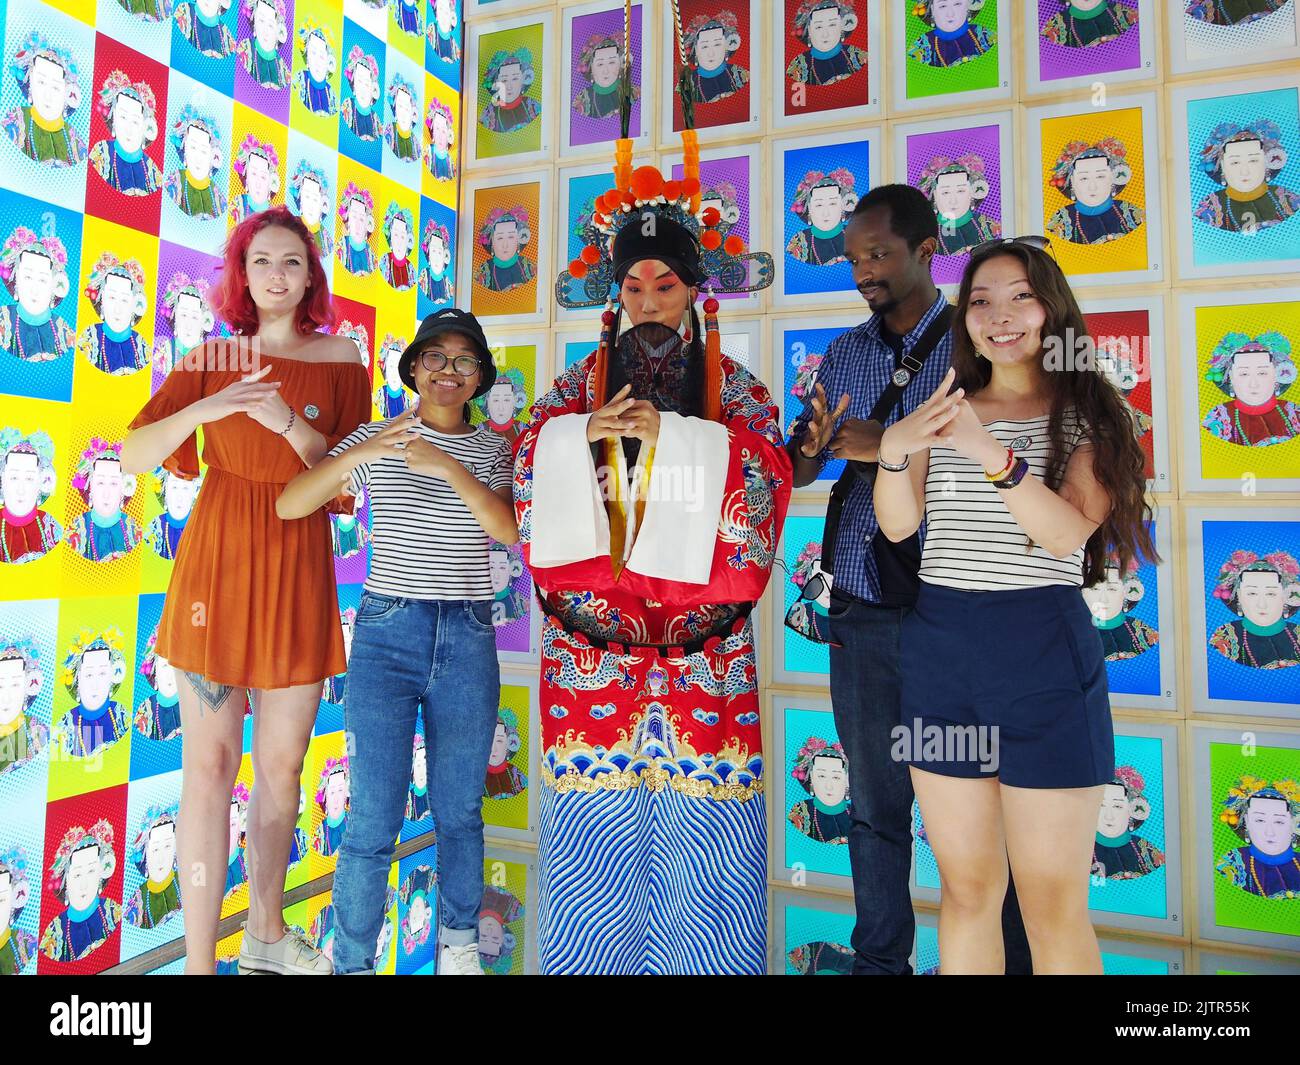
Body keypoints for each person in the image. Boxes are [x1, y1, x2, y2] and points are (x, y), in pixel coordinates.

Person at [520, 127, 787, 974]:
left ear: (694, 288)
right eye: (632, 284)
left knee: (709, 842)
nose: (647, 299)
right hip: (589, 645)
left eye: (665, 283)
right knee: (587, 839)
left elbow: (770, 478)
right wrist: (577, 436)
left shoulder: (738, 388)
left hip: (702, 649)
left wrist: (677, 438)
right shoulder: (575, 385)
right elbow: (527, 465)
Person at [873, 234, 1155, 973]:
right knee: (965, 891)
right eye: (981, 301)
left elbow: (1064, 532)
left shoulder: (1091, 408)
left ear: (1051, 309)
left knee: (1050, 902)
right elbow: (900, 524)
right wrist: (899, 448)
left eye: (1020, 296)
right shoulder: (946, 405)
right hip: (938, 659)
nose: (1000, 315)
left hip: (1045, 663)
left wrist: (989, 451)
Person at [786, 185, 1032, 975]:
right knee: (875, 807)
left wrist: (886, 443)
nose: (862, 270)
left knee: (992, 805)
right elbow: (801, 467)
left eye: (879, 254)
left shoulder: (978, 345)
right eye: (854, 257)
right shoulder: (844, 352)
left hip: (959, 607)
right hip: (861, 606)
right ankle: (879, 962)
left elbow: (1008, 461)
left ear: (929, 250)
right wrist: (815, 445)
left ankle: (1013, 960)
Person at [120, 204, 370, 974]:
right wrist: (207, 404)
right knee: (208, 768)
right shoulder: (213, 354)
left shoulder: (343, 359)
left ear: (311, 274)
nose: (276, 275)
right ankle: (198, 964)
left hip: (298, 567)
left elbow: (349, 481)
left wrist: (290, 422)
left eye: (291, 261)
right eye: (261, 260)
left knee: (285, 769)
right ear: (241, 270)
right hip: (215, 569)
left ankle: (265, 932)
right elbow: (132, 455)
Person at [278, 307, 517, 976]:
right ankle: (350, 959)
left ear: (478, 379)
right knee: (371, 819)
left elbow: (506, 530)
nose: (447, 370)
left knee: (459, 811)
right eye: (434, 357)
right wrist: (365, 449)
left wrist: (442, 463)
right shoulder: (375, 437)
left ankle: (460, 949)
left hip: (467, 637)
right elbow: (293, 502)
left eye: (463, 360)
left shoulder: (497, 449)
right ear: (412, 368)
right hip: (386, 634)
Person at [1, 31, 87, 167]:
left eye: (56, 88)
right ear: (29, 86)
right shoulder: (14, 122)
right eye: (41, 82)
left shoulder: (77, 144)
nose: (48, 95)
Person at [0, 226, 76, 361]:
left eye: (42, 280)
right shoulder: (3, 320)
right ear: (16, 280)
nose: (34, 290)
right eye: (28, 277)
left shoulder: (65, 333)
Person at [786, 0, 869, 87]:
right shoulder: (798, 66)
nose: (825, 34)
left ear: (841, 26)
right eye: (818, 27)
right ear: (809, 30)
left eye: (832, 24)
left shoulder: (857, 56)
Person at [164, 108, 226, 221]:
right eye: (193, 147)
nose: (198, 157)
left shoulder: (220, 199)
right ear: (184, 150)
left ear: (213, 155)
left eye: (203, 151)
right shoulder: (173, 183)